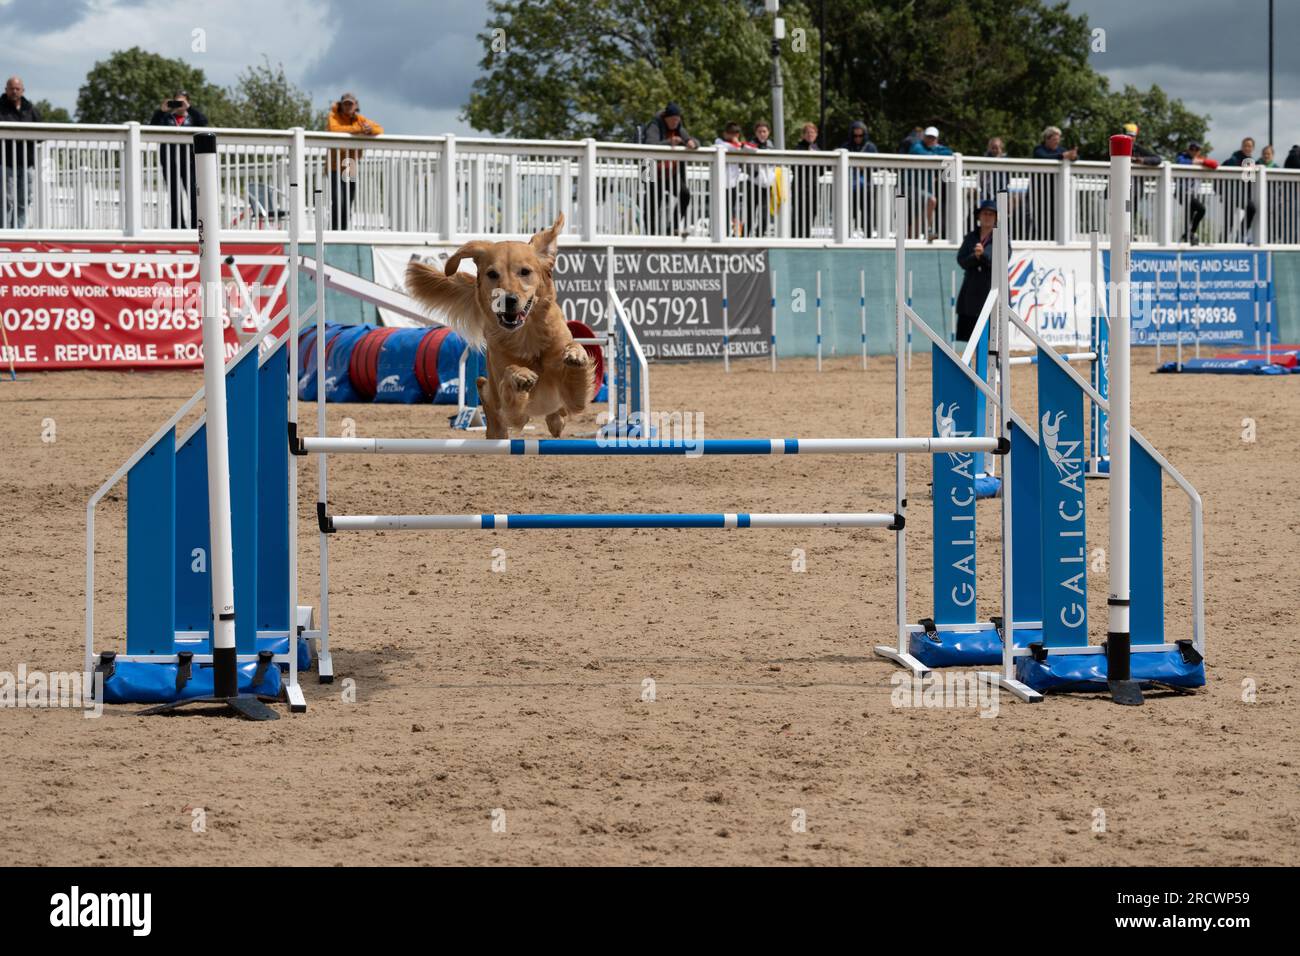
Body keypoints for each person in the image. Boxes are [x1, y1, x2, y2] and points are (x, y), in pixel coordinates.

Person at [149, 90, 209, 229]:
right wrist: (161, 111)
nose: (179, 105)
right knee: (174, 196)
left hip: (190, 162)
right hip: (170, 162)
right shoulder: (166, 118)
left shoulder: (193, 118)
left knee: (194, 196)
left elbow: (204, 123)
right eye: (176, 102)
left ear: (188, 102)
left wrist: (190, 109)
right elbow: (152, 127)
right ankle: (178, 227)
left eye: (181, 102)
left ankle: (196, 227)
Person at [326, 92, 383, 231]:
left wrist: (369, 130)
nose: (348, 107)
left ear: (356, 105)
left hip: (350, 163)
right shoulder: (333, 116)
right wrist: (358, 130)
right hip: (335, 164)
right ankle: (335, 231)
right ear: (341, 105)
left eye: (350, 104)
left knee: (347, 202)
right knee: (338, 201)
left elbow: (379, 129)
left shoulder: (359, 119)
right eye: (345, 104)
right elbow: (334, 130)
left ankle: (343, 231)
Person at [640, 103, 699, 236]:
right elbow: (650, 145)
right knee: (653, 203)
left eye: (678, 120)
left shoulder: (678, 127)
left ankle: (672, 228)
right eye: (673, 120)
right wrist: (669, 142)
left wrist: (692, 142)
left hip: (670, 172)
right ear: (666, 118)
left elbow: (693, 140)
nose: (675, 122)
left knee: (685, 195)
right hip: (650, 168)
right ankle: (651, 234)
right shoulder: (654, 124)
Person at [955, 199, 1008, 344]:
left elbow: (1003, 260)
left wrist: (983, 255)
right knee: (971, 340)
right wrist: (975, 256)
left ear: (996, 217)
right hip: (971, 293)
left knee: (993, 339)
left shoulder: (1002, 238)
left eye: (991, 214)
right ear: (979, 216)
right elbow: (961, 259)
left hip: (991, 292)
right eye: (984, 213)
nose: (987, 217)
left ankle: (994, 365)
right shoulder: (971, 237)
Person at [0, 75, 40, 228]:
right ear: (6, 90)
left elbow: (41, 134)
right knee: (7, 201)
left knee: (24, 201)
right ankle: (5, 234)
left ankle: (20, 234)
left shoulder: (30, 109)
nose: (14, 92)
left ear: (23, 91)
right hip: (6, 163)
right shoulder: (0, 108)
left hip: (26, 164)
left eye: (17, 89)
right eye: (11, 89)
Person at [1031, 126, 1077, 242]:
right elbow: (1042, 157)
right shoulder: (1039, 149)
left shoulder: (1061, 149)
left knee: (1056, 218)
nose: (1057, 142)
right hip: (1041, 192)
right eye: (1054, 139)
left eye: (1058, 139)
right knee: (1042, 218)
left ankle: (1056, 240)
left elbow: (1072, 156)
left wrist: (1073, 156)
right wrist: (1063, 156)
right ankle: (1042, 241)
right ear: (1047, 139)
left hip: (1057, 192)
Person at [908, 126, 952, 240]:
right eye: (928, 137)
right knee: (931, 201)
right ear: (924, 137)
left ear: (937, 139)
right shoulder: (917, 146)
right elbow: (919, 153)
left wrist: (935, 151)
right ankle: (928, 230)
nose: (930, 140)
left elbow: (949, 153)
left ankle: (918, 237)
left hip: (924, 188)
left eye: (933, 138)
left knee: (920, 212)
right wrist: (935, 154)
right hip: (911, 186)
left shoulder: (935, 148)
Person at [839, 120, 878, 237]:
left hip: (866, 186)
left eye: (860, 135)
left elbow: (876, 165)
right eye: (855, 135)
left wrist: (865, 167)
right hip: (849, 186)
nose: (857, 138)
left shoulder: (870, 147)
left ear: (864, 135)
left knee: (867, 213)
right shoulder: (846, 146)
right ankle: (847, 236)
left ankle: (868, 236)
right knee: (849, 212)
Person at [713, 122, 752, 236]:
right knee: (720, 211)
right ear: (725, 133)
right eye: (730, 134)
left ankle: (726, 234)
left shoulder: (738, 145)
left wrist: (739, 145)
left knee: (730, 210)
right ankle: (718, 234)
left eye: (736, 134)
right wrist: (737, 145)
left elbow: (749, 150)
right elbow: (727, 147)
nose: (733, 137)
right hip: (720, 184)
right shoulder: (719, 142)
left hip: (732, 184)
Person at [1175, 142, 1217, 245]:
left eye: (1196, 150)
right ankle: (1191, 233)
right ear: (1188, 149)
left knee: (1190, 212)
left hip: (1192, 193)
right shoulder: (1182, 156)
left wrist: (1200, 161)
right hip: (1181, 192)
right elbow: (1181, 162)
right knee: (1201, 209)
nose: (1194, 151)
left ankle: (1188, 234)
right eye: (1192, 149)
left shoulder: (1200, 159)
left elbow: (1214, 164)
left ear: (1199, 151)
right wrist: (1195, 162)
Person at [1221, 136, 1258, 242]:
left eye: (1250, 146)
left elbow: (1249, 181)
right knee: (1229, 222)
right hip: (1230, 194)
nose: (1247, 148)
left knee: (1251, 209)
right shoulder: (1234, 158)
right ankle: (1221, 243)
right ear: (1242, 147)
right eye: (1245, 146)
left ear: (1253, 148)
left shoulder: (1251, 161)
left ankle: (1241, 234)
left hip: (1242, 195)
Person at [747, 120, 777, 237]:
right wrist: (754, 174)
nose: (762, 134)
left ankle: (759, 237)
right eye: (759, 131)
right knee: (750, 213)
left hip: (767, 185)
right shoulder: (750, 145)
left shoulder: (771, 146)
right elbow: (744, 162)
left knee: (765, 215)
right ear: (756, 133)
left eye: (764, 131)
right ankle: (744, 237)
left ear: (768, 132)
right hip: (754, 183)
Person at [792, 122, 821, 239]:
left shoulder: (817, 149)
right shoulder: (798, 148)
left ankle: (807, 238)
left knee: (812, 213)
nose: (810, 135)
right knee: (799, 215)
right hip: (800, 187)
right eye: (808, 133)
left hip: (813, 187)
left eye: (812, 132)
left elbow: (822, 170)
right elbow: (794, 167)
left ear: (816, 134)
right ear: (803, 135)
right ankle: (796, 239)